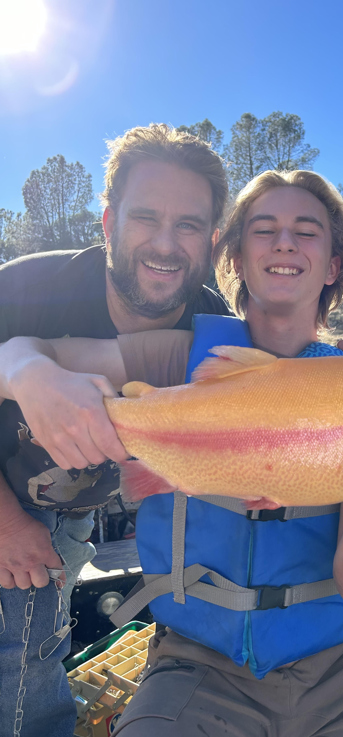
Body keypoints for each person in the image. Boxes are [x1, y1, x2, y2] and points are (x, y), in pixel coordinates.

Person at [0, 169, 343, 737]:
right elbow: (23, 351)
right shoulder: (175, 354)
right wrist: (30, 370)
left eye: (306, 231)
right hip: (196, 668)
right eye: (264, 229)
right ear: (235, 258)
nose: (285, 242)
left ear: (335, 264)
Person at [0, 123, 233, 737]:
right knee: (22, 654)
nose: (165, 243)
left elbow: (282, 384)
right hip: (11, 497)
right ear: (107, 222)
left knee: (47, 619)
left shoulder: (216, 326)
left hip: (89, 503)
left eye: (188, 225)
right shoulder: (26, 290)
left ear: (210, 241)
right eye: (145, 218)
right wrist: (5, 521)